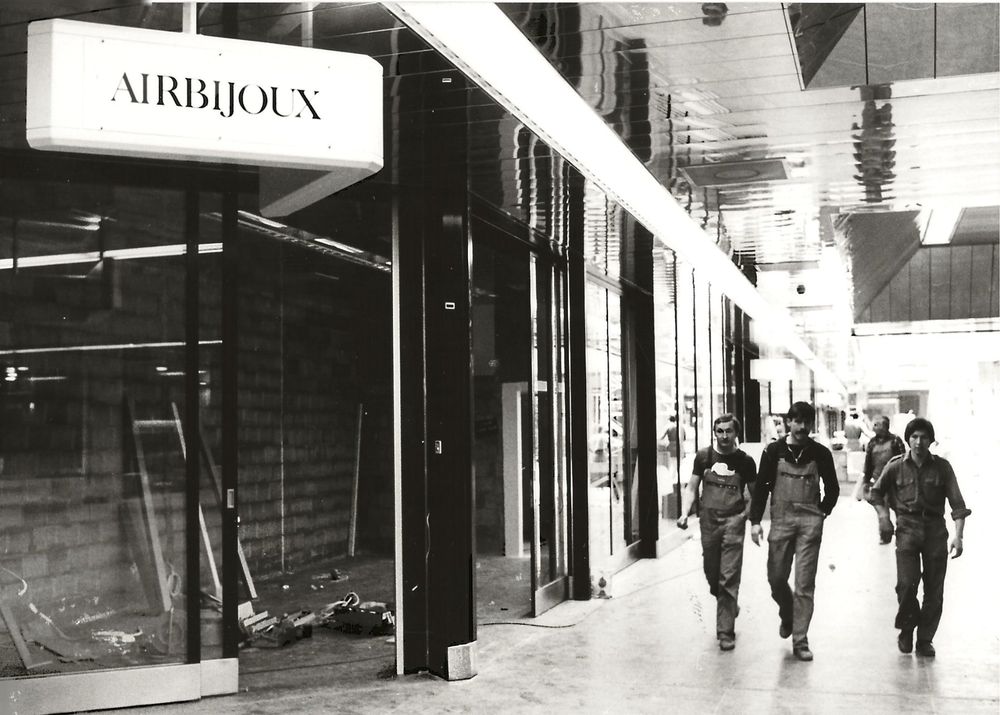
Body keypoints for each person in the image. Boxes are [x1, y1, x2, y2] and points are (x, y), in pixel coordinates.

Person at [870, 417, 970, 658]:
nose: (918, 442)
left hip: (935, 531)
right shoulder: (895, 466)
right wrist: (884, 517)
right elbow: (875, 493)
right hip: (907, 528)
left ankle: (925, 639)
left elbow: (957, 505)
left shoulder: (943, 468)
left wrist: (958, 536)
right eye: (914, 437)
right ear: (908, 439)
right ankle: (907, 628)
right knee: (906, 585)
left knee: (934, 589)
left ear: (931, 440)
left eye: (924, 437)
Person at [750, 401, 839, 662]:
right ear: (789, 422)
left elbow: (833, 488)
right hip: (782, 520)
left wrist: (822, 512)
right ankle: (788, 613)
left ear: (812, 424)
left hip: (810, 522)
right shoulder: (773, 451)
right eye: (797, 421)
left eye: (806, 422)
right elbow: (761, 488)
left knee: (804, 584)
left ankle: (800, 640)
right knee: (776, 578)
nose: (802, 427)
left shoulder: (820, 453)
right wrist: (755, 520)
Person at [677, 414, 757, 651]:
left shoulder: (745, 461)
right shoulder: (704, 457)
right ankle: (729, 605)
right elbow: (691, 487)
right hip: (709, 522)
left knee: (728, 576)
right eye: (719, 431)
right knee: (712, 573)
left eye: (728, 431)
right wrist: (684, 513)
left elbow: (756, 494)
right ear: (714, 433)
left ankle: (725, 631)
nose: (724, 436)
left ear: (736, 433)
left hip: (733, 521)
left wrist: (747, 517)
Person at [856, 416, 905, 507]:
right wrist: (865, 483)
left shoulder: (895, 440)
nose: (873, 427)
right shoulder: (872, 442)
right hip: (877, 481)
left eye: (876, 425)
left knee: (899, 510)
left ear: (884, 426)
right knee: (882, 512)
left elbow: (903, 461)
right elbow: (868, 464)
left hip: (894, 482)